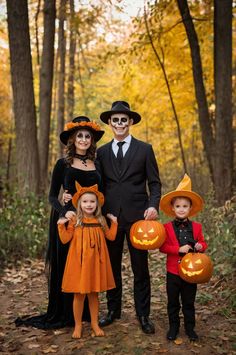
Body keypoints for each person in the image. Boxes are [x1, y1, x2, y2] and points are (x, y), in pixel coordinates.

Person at [15, 116, 104, 329]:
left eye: (87, 136)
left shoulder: (96, 163)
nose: (83, 139)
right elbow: (52, 196)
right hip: (69, 219)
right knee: (68, 266)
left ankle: (85, 315)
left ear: (92, 140)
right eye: (80, 136)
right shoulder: (62, 163)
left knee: (87, 264)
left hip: (91, 221)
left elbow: (101, 193)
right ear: (72, 139)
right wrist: (64, 212)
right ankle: (64, 313)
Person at [96, 101, 162, 334]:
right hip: (111, 218)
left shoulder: (145, 149)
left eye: (124, 119)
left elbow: (154, 183)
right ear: (110, 123)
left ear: (130, 122)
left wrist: (153, 205)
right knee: (111, 268)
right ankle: (113, 311)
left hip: (138, 220)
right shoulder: (101, 152)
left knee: (140, 269)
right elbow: (97, 187)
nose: (120, 124)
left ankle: (143, 315)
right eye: (116, 120)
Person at [57, 182, 117, 338]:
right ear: (79, 204)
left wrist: (115, 223)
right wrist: (61, 226)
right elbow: (65, 239)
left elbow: (111, 236)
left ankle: (95, 324)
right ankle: (77, 326)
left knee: (94, 294)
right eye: (85, 201)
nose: (89, 204)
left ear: (97, 203)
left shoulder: (101, 220)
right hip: (79, 262)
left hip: (95, 263)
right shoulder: (75, 220)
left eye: (92, 201)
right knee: (79, 295)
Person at [159, 174, 207, 341]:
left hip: (191, 272)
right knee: (173, 302)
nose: (181, 209)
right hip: (173, 271)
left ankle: (190, 328)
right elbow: (162, 247)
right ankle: (173, 327)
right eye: (178, 206)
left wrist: (201, 246)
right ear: (172, 207)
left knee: (188, 302)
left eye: (185, 206)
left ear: (190, 208)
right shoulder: (166, 228)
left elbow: (202, 243)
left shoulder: (197, 227)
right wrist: (178, 249)